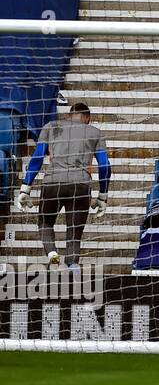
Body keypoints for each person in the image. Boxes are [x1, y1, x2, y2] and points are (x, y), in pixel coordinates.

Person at [14, 101, 111, 267]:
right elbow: (104, 165)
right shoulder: (95, 132)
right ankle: (72, 266)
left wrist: (25, 188)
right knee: (74, 232)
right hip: (80, 185)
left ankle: (52, 253)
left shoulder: (51, 126)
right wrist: (103, 195)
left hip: (53, 182)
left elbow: (37, 158)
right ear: (88, 118)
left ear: (68, 115)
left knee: (45, 223)